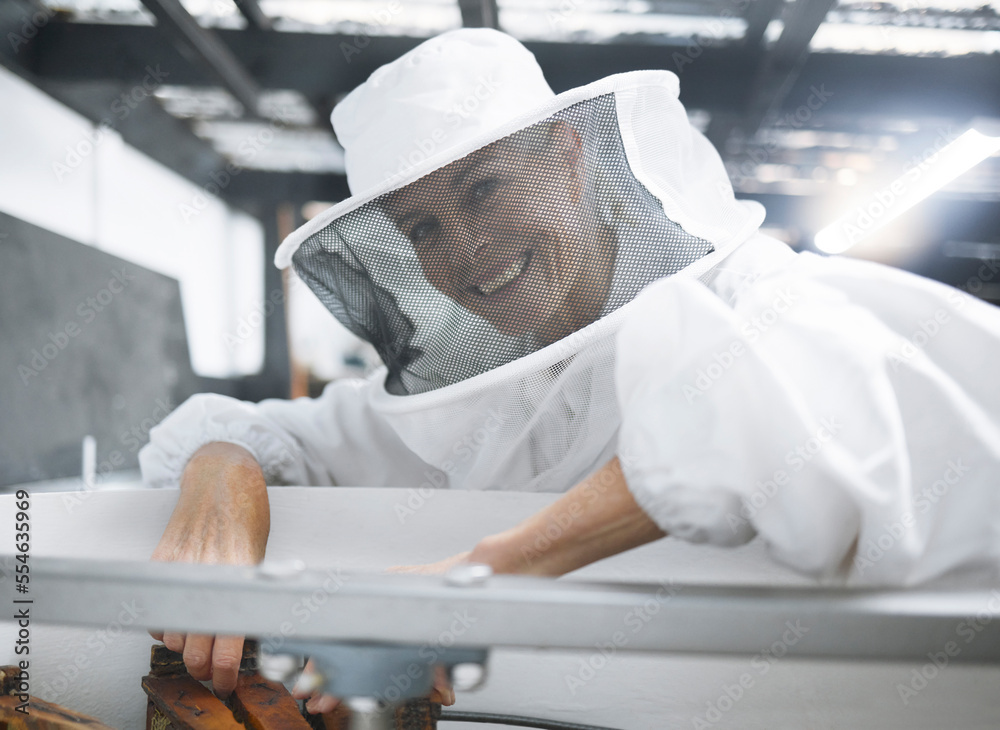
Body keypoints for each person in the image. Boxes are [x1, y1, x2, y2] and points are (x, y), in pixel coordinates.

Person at [141, 28, 1000, 710]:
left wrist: (478, 581)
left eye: (484, 189)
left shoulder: (758, 297)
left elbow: (758, 424)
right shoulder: (475, 394)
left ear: (568, 154)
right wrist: (221, 478)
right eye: (422, 231)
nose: (468, 252)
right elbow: (276, 434)